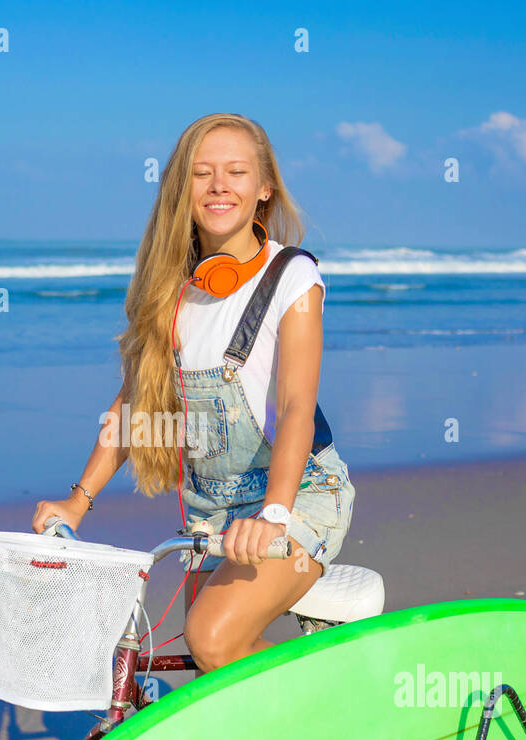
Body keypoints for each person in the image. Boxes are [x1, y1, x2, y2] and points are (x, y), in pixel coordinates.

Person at [32, 112, 355, 672]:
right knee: (209, 672)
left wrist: (274, 513)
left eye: (236, 172)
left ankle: (350, 704)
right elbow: (133, 404)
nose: (219, 185)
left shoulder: (293, 277)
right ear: (182, 188)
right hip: (215, 516)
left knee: (211, 637)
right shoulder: (171, 288)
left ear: (264, 188)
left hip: (300, 494)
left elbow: (297, 406)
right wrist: (77, 501)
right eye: (202, 173)